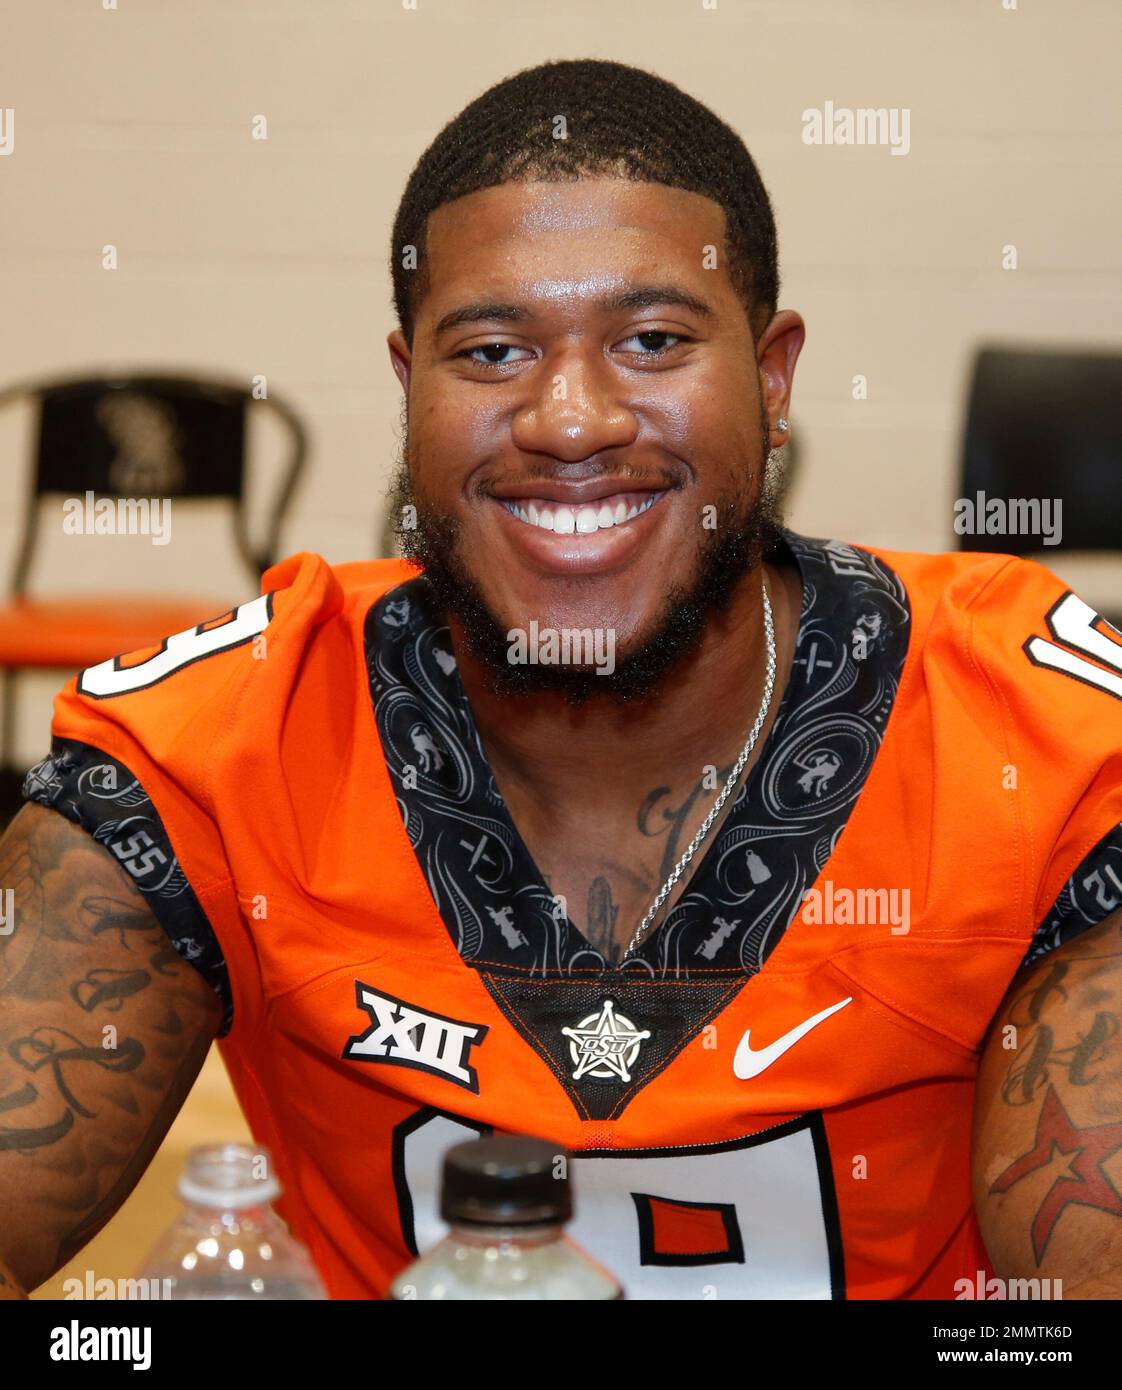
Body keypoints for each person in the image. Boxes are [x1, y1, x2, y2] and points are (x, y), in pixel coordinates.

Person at [2, 58, 1120, 1301]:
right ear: (408, 386)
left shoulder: (1036, 736)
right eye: (490, 350)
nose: (571, 418)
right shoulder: (225, 737)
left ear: (772, 375)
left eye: (652, 340)